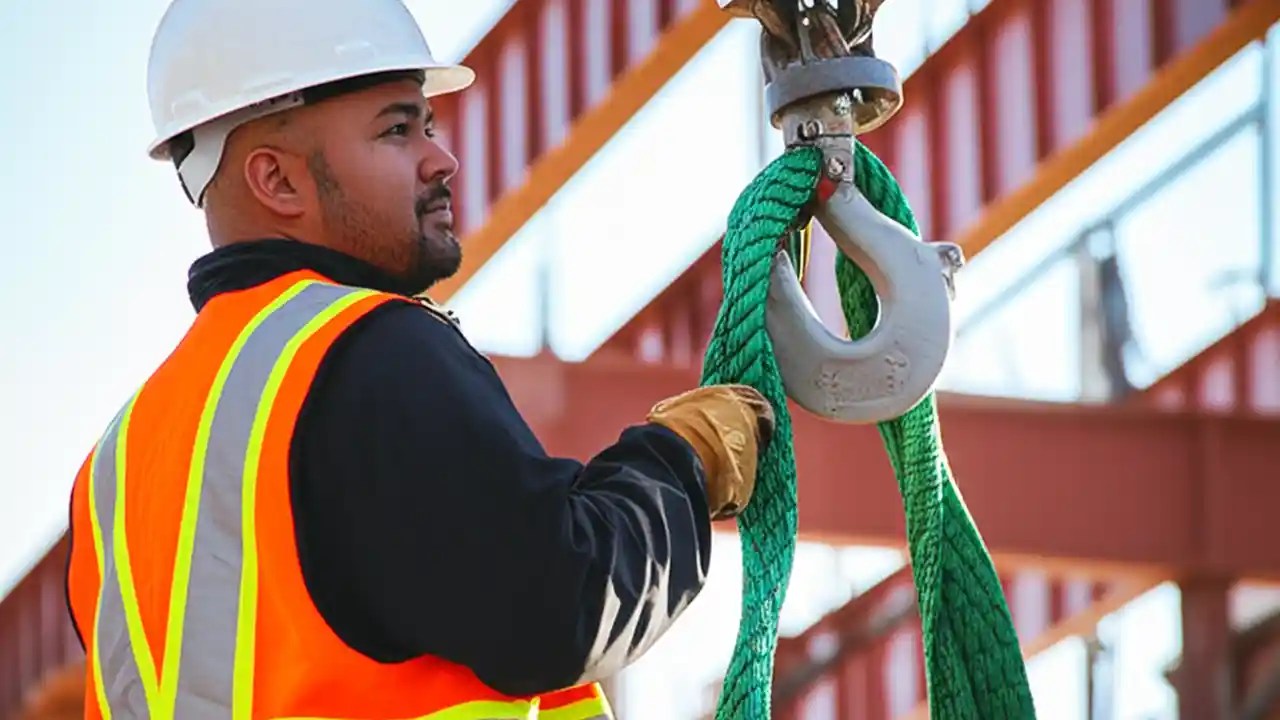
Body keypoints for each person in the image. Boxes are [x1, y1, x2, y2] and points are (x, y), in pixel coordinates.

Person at [63, 0, 776, 718]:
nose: (444, 158)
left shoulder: (115, 470)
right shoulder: (365, 352)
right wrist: (683, 463)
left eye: (426, 125)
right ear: (276, 181)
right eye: (397, 130)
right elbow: (560, 606)